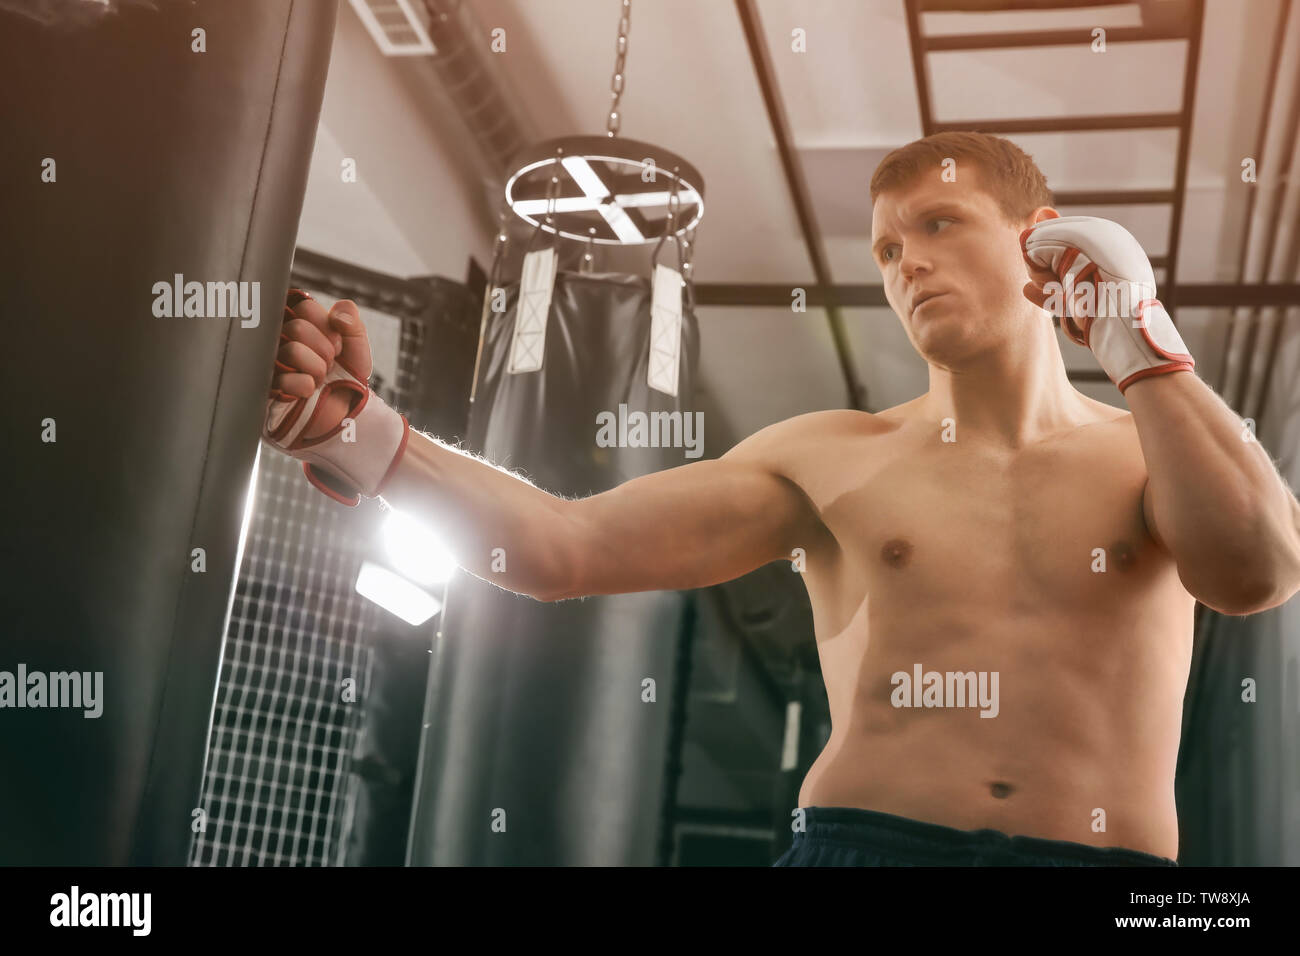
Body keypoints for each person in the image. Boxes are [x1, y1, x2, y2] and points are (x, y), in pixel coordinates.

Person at [263, 131, 1300, 866]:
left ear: (1042, 238)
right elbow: (564, 547)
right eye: (887, 249)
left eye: (940, 224)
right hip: (865, 847)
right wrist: (350, 428)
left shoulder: (1153, 447)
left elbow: (1258, 571)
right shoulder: (830, 455)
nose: (909, 263)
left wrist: (1143, 344)